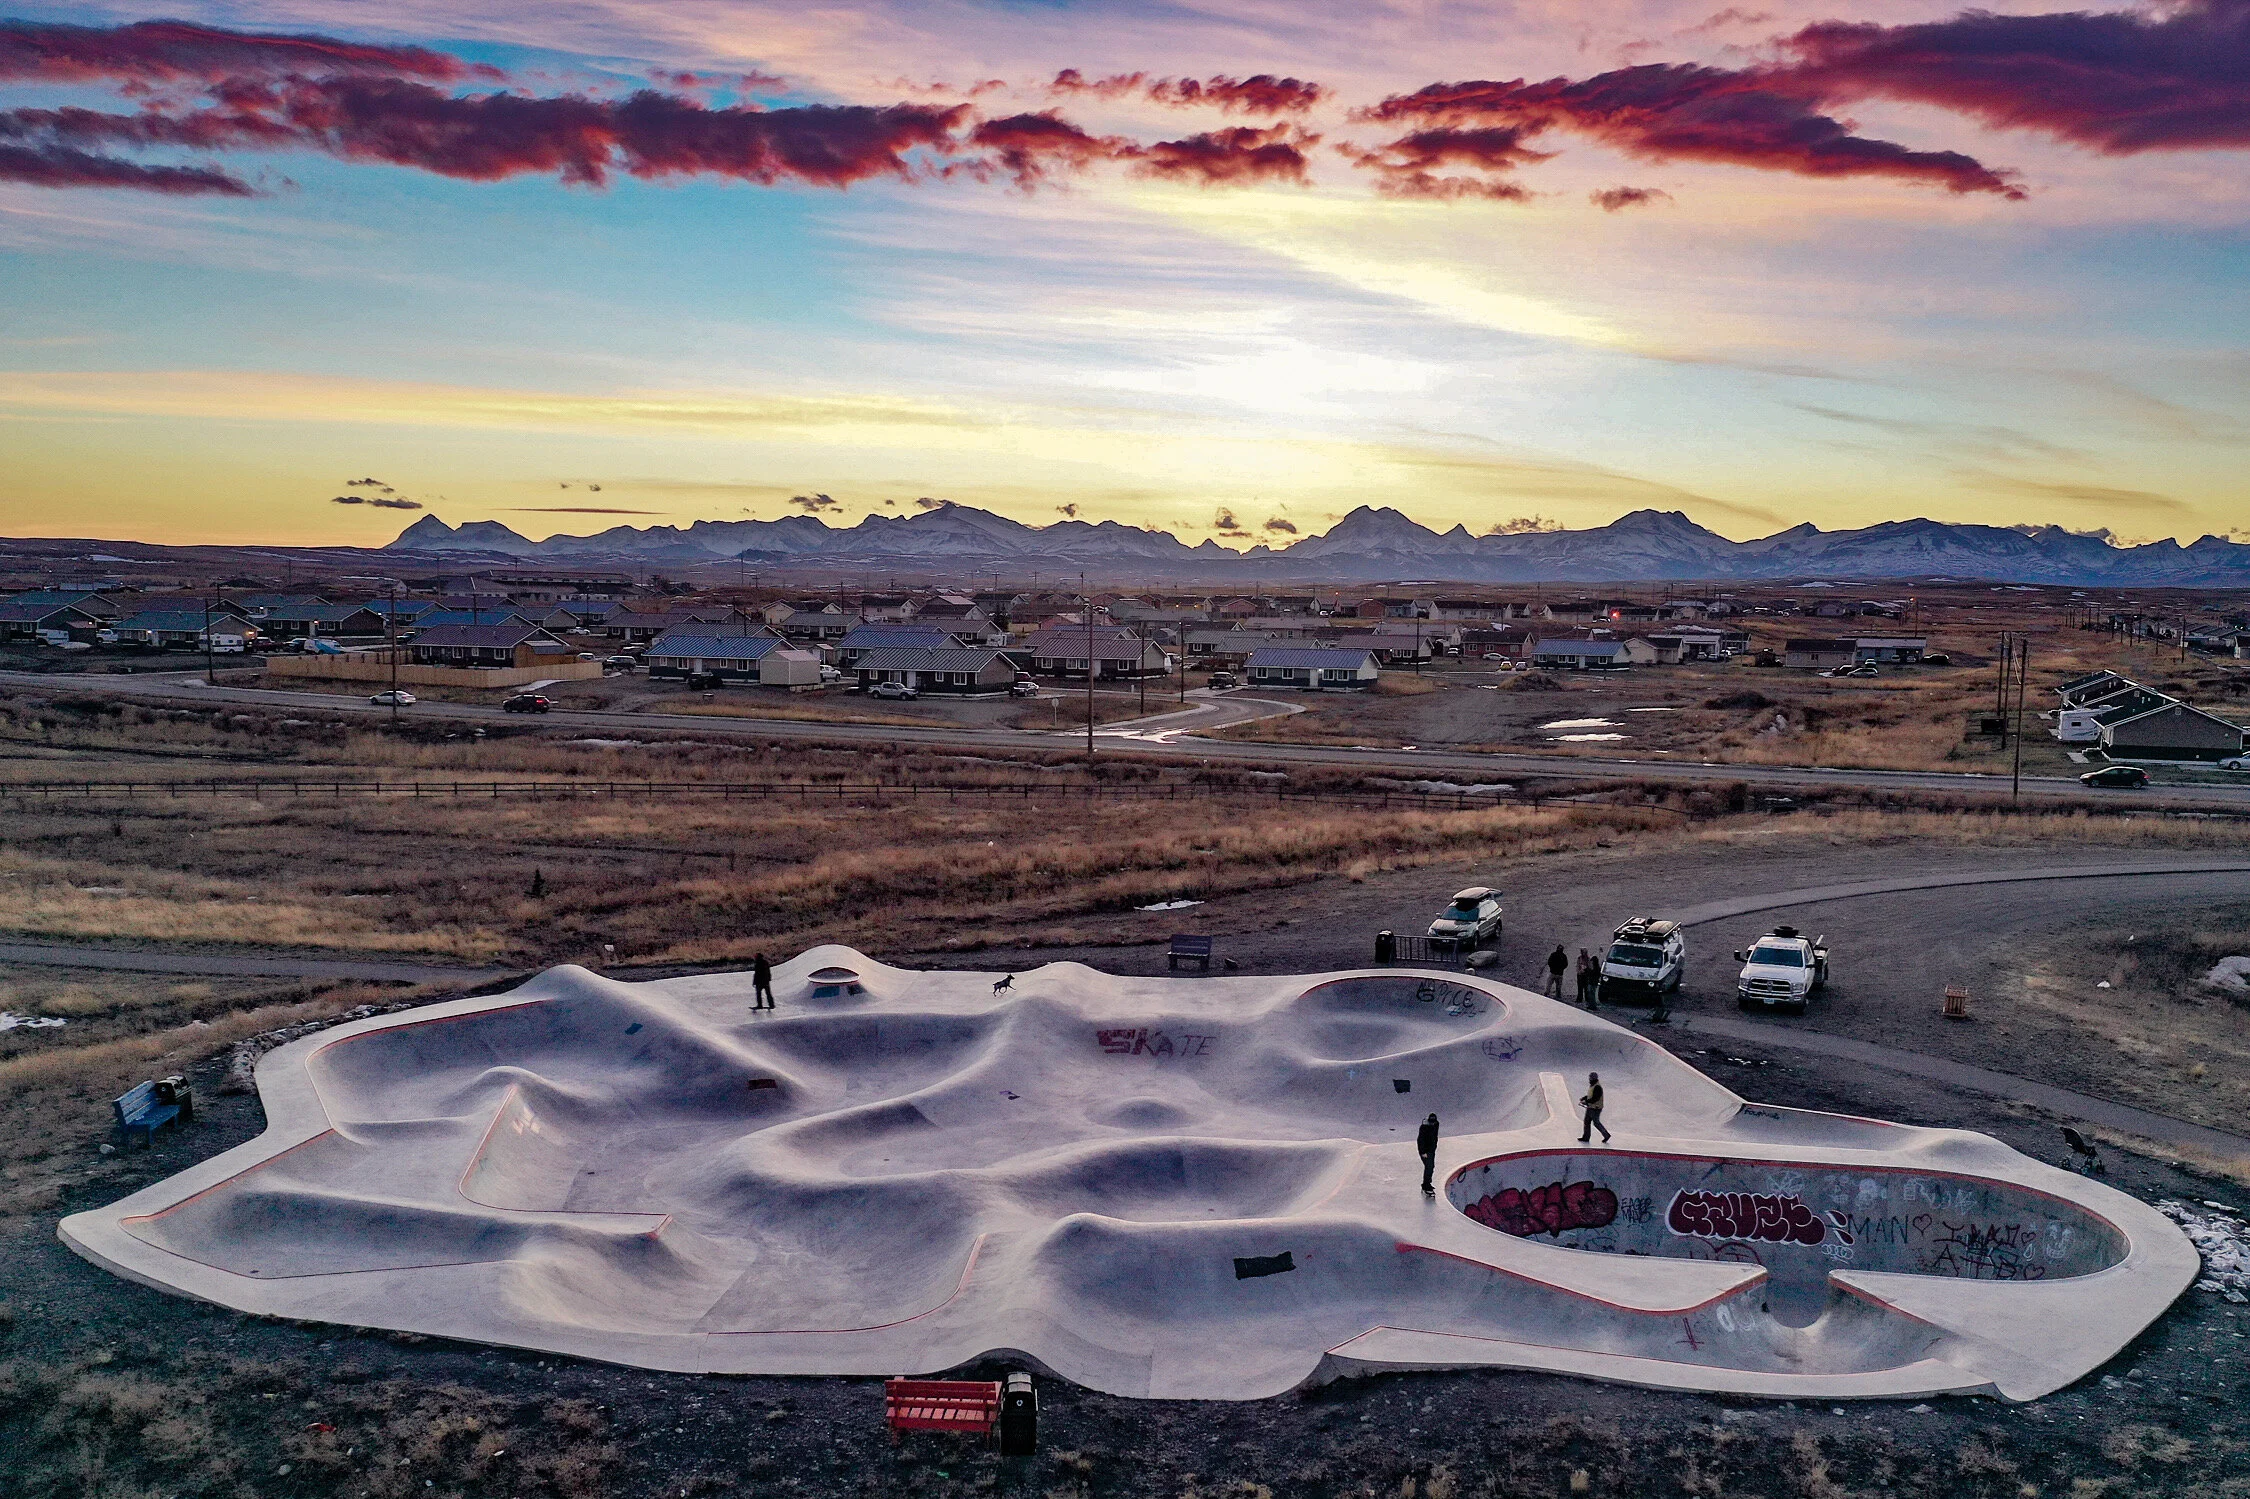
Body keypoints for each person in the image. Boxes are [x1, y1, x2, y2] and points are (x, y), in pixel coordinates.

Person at [1578, 1071, 1611, 1144]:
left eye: (1590, 1078)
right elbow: (1590, 1096)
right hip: (1591, 1107)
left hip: (1595, 1108)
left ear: (1593, 1079)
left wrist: (1586, 1102)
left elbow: (1595, 1098)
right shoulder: (1593, 1085)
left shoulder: (1597, 1087)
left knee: (1596, 1123)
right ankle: (1586, 1137)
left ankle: (1606, 1135)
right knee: (1587, 1122)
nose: (1589, 1079)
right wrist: (1584, 1098)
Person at [1416, 1113, 1440, 1194]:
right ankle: (1426, 1185)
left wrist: (1434, 1147)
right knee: (1429, 1166)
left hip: (1431, 1150)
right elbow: (1420, 1140)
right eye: (1431, 1123)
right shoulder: (1424, 1128)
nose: (1433, 1124)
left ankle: (1428, 1183)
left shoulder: (1436, 1124)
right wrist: (1423, 1152)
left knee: (1431, 1166)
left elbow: (1435, 1136)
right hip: (1425, 1151)